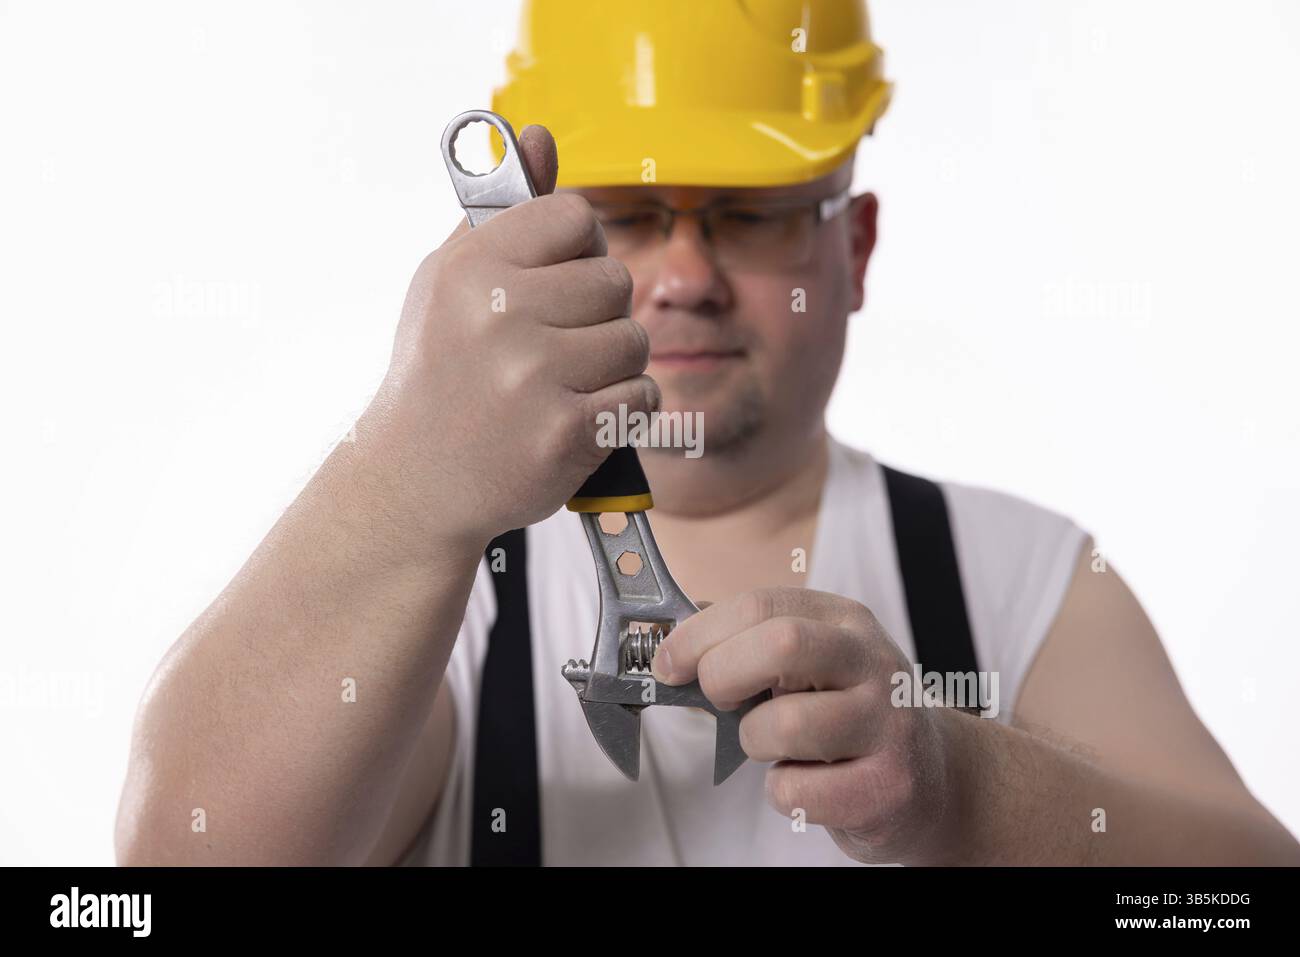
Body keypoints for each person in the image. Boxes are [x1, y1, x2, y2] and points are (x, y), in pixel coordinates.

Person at [115, 0, 1300, 866]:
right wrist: (395, 474)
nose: (683, 275)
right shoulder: (433, 594)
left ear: (855, 249)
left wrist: (962, 789)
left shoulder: (1022, 577)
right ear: (538, 239)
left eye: (748, 214)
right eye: (628, 214)